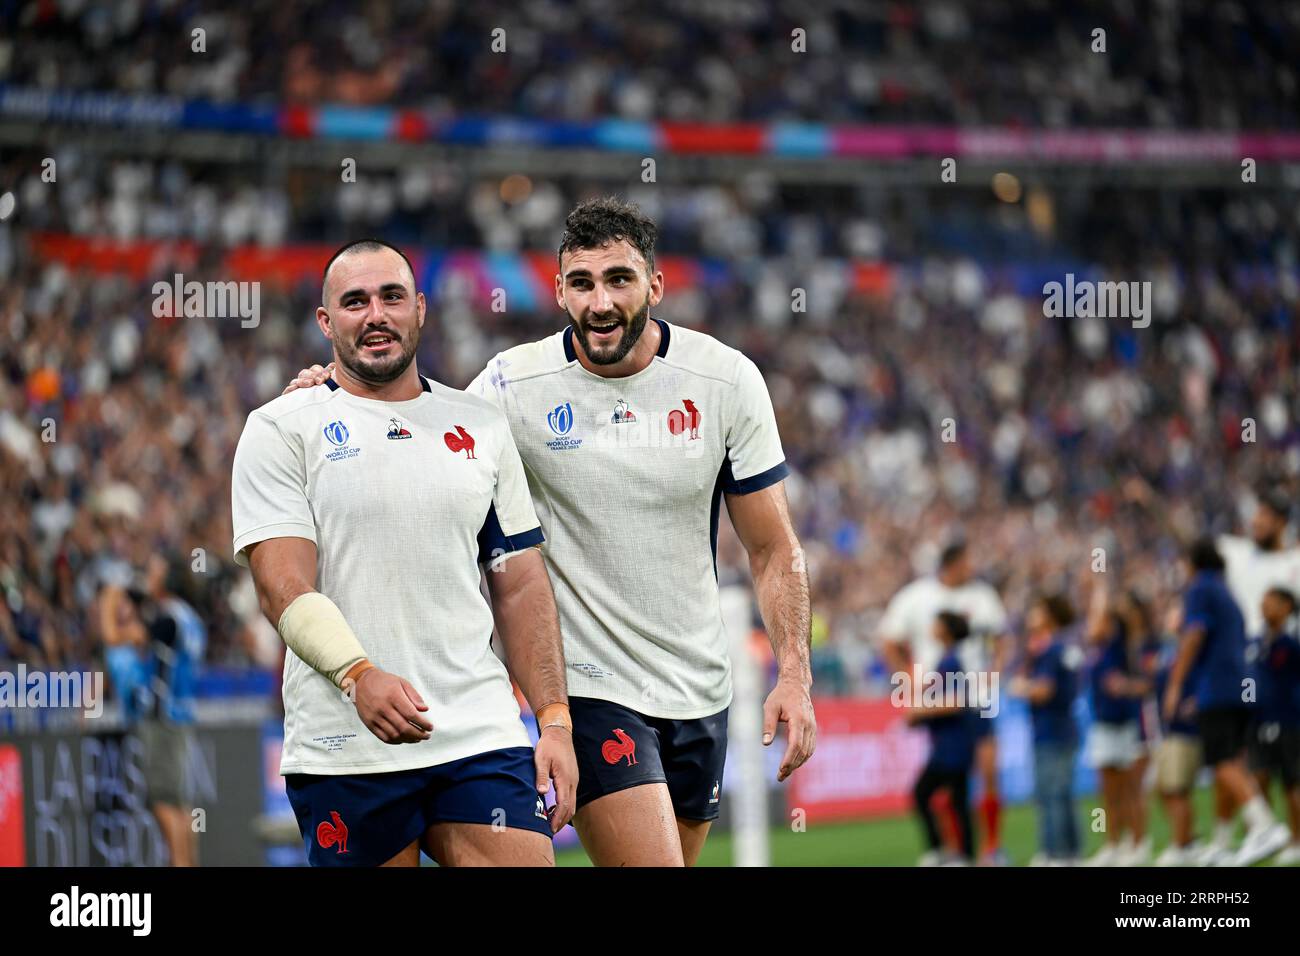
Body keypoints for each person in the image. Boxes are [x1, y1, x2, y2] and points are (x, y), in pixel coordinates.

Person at [286, 200, 816, 867]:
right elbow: (419, 434)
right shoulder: (512, 385)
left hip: (698, 690)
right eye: (583, 283)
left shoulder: (725, 381)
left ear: (655, 285)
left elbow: (772, 549)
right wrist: (335, 395)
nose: (600, 302)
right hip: (589, 689)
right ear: (560, 290)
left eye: (619, 280)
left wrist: (794, 673)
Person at [234, 239, 577, 867]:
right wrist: (357, 675)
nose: (375, 315)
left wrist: (554, 717)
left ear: (420, 309)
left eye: (392, 297)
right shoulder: (280, 428)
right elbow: (282, 585)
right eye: (354, 301)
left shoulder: (480, 424)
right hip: (348, 742)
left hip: (478, 733)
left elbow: (521, 583)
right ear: (325, 321)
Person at [879, 540, 1008, 864]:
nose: (972, 568)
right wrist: (907, 682)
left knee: (986, 772)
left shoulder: (983, 596)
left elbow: (1003, 638)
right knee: (954, 782)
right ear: (951, 563)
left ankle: (986, 848)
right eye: (967, 562)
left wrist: (995, 673)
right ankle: (957, 851)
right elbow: (889, 638)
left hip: (976, 700)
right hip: (943, 700)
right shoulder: (917, 596)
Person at [1163, 537, 1290, 867]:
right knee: (1232, 760)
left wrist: (1176, 683)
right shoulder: (1225, 591)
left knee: (1221, 761)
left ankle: (1264, 825)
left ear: (1193, 562)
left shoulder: (1200, 590)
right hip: (1240, 686)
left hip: (1217, 688)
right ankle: (1225, 840)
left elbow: (1194, 635)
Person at [1081, 580, 1151, 866]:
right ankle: (1113, 843)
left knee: (1130, 789)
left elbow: (1139, 682)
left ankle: (1138, 842)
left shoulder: (1122, 642)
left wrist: (1124, 686)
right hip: (1103, 724)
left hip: (1124, 724)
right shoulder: (1099, 648)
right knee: (1108, 793)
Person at [1010, 594, 1080, 866]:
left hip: (1052, 732)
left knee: (1050, 795)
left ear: (1049, 616)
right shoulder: (1060, 648)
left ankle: (1055, 854)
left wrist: (1021, 688)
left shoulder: (1051, 650)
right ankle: (1070, 852)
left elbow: (1043, 691)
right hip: (1061, 729)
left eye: (1037, 611)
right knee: (1062, 794)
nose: (1032, 617)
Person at [908, 611, 978, 865]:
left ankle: (949, 852)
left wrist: (921, 711)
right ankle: (958, 853)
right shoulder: (947, 660)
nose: (932, 627)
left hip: (954, 745)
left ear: (946, 630)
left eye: (936, 623)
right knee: (954, 800)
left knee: (927, 794)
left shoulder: (951, 662)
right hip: (947, 744)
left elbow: (957, 702)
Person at [1245, 587, 1300, 866]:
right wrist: (1246, 705)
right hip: (1258, 721)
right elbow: (1249, 681)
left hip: (1288, 720)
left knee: (1292, 781)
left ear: (1286, 606)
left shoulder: (1292, 641)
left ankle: (1297, 839)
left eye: (1270, 603)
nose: (1263, 608)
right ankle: (1263, 834)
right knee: (1259, 777)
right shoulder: (1255, 642)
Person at [1151, 600, 1204, 867]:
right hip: (1168, 730)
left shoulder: (1192, 650)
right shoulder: (1168, 651)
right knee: (1164, 789)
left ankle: (1181, 845)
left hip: (1184, 730)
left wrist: (1193, 704)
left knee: (1176, 789)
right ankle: (1188, 840)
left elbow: (1199, 683)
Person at [1218, 488, 1300, 638]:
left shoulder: (1294, 563)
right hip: (1237, 648)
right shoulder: (1236, 552)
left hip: (1276, 654)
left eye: (1264, 515)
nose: (1255, 521)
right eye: (1256, 513)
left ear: (1280, 522)